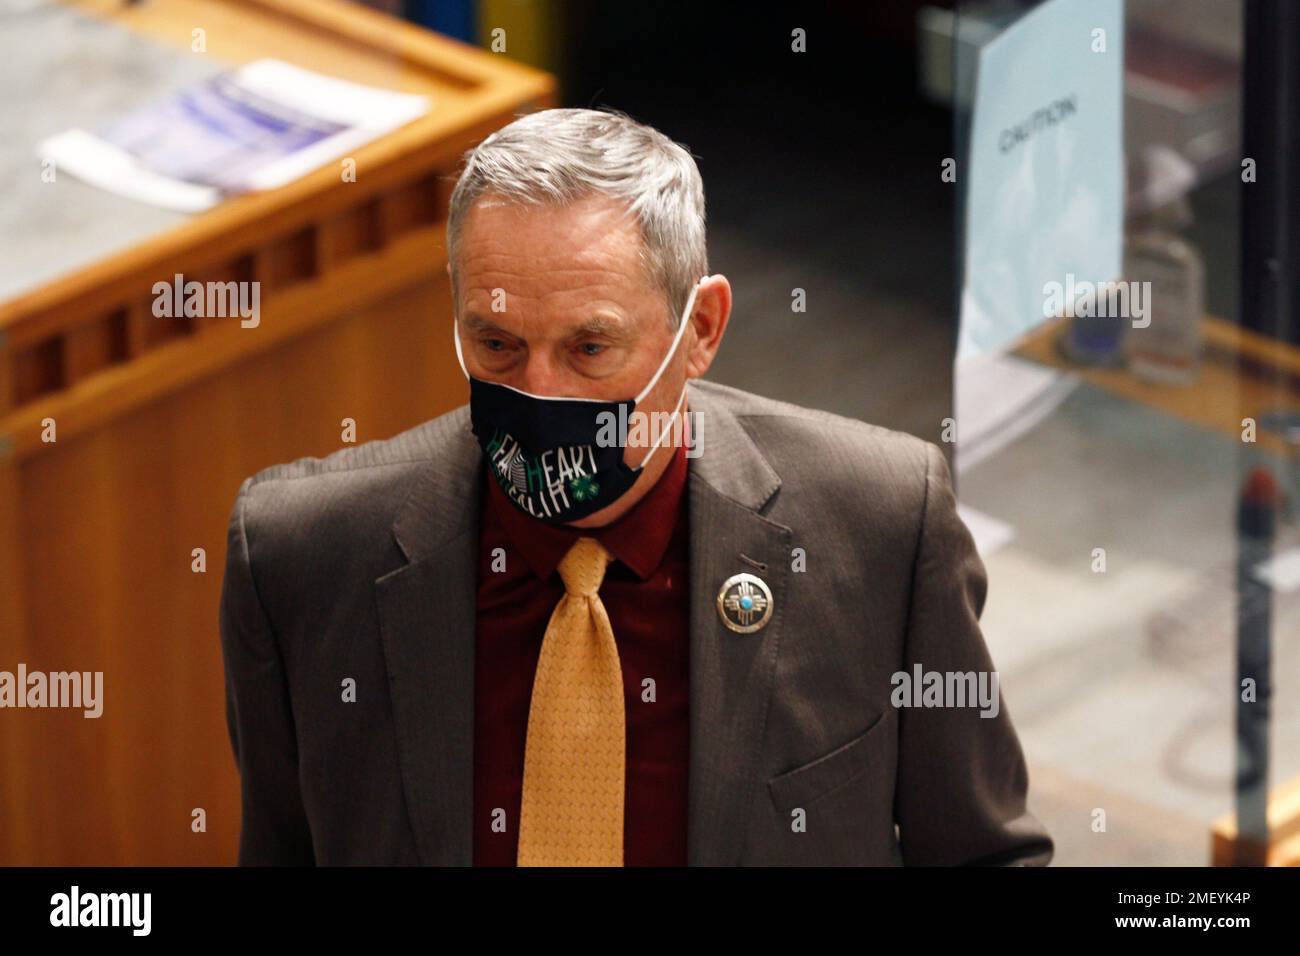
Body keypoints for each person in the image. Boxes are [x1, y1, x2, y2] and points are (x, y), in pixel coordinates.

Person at [218, 107, 1053, 867]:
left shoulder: (879, 525)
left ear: (700, 330)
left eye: (589, 349)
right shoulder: (300, 555)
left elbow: (986, 858)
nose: (539, 394)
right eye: (499, 345)